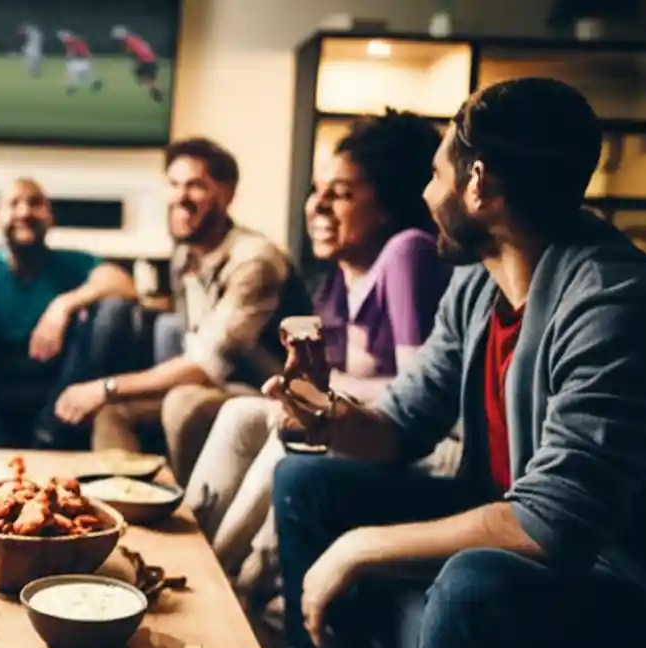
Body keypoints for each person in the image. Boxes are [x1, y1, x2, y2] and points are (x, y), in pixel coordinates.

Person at [269, 78, 646, 648]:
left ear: (476, 183)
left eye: (434, 174)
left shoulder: (612, 302)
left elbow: (552, 524)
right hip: (502, 507)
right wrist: (320, 409)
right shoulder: (477, 287)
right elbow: (401, 425)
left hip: (617, 574)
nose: (426, 195)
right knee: (303, 481)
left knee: (473, 581)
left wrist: (357, 546)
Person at [183, 111, 449, 599]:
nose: (318, 206)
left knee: (294, 435)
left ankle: (211, 579)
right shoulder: (342, 277)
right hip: (358, 421)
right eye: (316, 190)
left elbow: (419, 389)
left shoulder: (408, 253)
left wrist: (315, 390)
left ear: (387, 203)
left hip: (406, 441)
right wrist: (304, 386)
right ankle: (192, 549)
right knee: (241, 413)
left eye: (341, 193)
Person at [55, 137, 311, 484]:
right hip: (219, 384)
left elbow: (205, 366)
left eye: (195, 185)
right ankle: (127, 500)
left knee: (182, 401)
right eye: (174, 184)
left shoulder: (254, 260)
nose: (180, 197)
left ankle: (185, 509)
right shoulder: (186, 255)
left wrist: (105, 386)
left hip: (270, 392)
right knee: (112, 412)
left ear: (227, 193)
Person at [0, 177, 136, 447]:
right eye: (14, 204)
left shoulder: (70, 263)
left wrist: (63, 305)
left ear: (50, 217)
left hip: (58, 381)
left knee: (113, 310)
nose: (24, 212)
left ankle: (49, 436)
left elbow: (122, 283)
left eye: (34, 203)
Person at [111, 25, 163, 103]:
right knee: (152, 78)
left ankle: (154, 91)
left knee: (142, 78)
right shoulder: (136, 38)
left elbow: (134, 53)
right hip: (152, 59)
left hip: (144, 60)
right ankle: (156, 91)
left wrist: (134, 62)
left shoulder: (127, 41)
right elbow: (145, 46)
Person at [57, 30, 103, 95]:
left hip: (78, 62)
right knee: (82, 77)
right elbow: (85, 53)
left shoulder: (76, 43)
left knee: (74, 75)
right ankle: (94, 83)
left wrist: (69, 56)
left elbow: (82, 53)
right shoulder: (77, 42)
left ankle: (74, 87)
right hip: (82, 63)